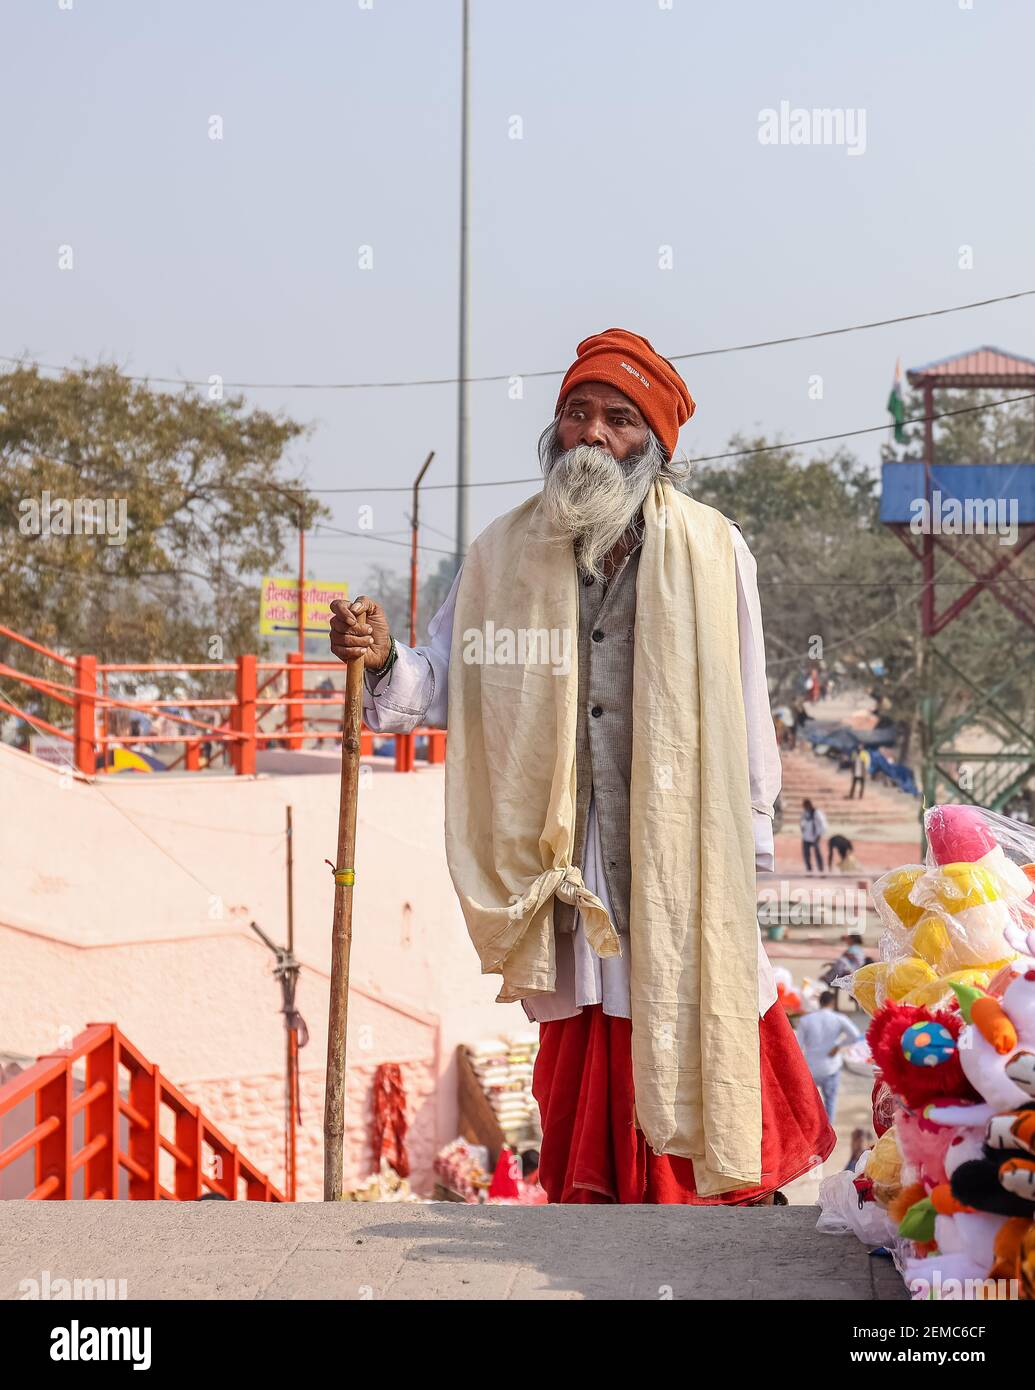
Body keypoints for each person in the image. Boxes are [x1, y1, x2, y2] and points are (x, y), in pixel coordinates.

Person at [330, 327, 834, 1206]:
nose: (593, 435)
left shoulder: (716, 552)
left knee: (703, 1015)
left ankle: (708, 1209)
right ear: (555, 431)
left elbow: (748, 705)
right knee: (587, 1041)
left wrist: (747, 851)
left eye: (618, 418)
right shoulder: (501, 553)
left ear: (656, 445)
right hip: (562, 858)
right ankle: (602, 1218)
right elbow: (445, 678)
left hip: (680, 844)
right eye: (576, 414)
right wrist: (380, 660)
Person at [794, 991, 862, 1120]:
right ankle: (828, 1132)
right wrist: (839, 1046)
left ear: (820, 1002)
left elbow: (798, 1045)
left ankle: (811, 1130)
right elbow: (855, 1035)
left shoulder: (805, 1020)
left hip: (811, 1068)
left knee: (809, 1104)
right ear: (833, 1003)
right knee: (830, 1102)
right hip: (831, 1067)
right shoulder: (839, 1018)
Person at [800, 799, 827, 873]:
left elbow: (823, 824)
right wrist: (802, 829)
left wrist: (820, 834)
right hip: (806, 837)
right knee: (806, 854)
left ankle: (821, 869)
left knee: (818, 854)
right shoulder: (805, 813)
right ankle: (809, 870)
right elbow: (802, 822)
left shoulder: (817, 813)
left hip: (815, 837)